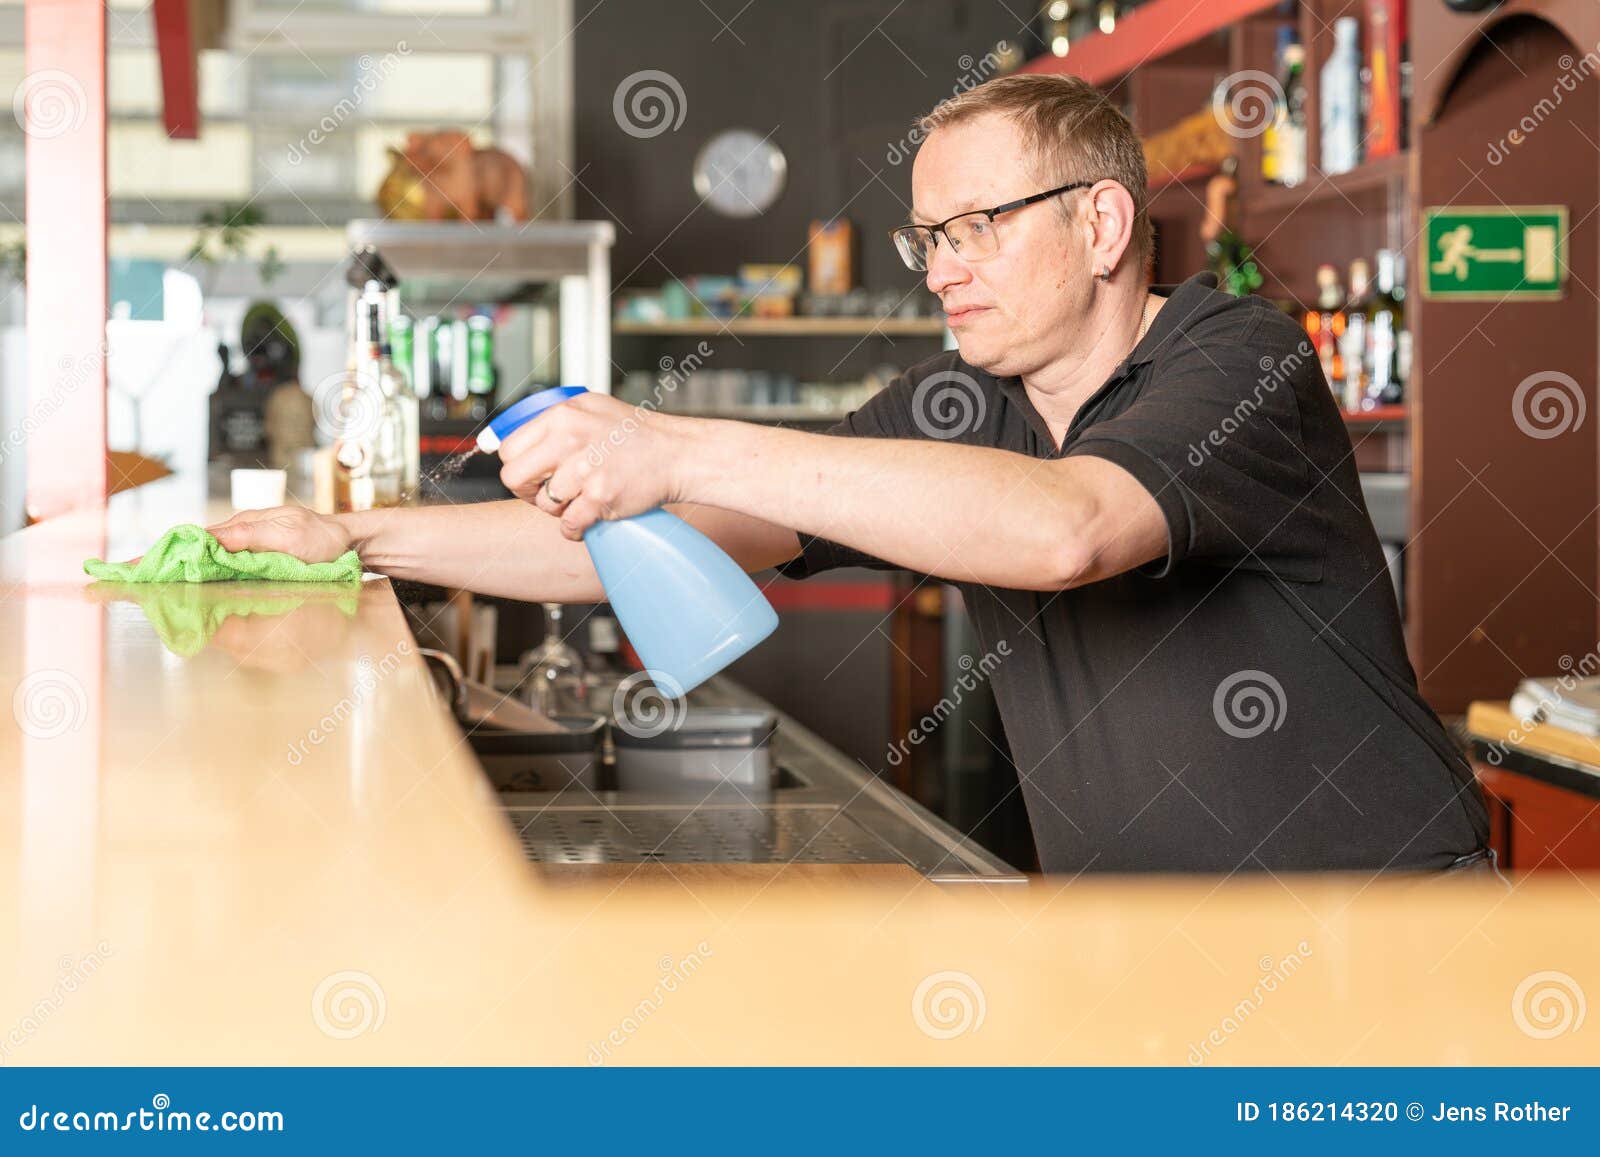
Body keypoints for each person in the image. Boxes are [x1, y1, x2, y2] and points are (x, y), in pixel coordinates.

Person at [210, 74, 1489, 874]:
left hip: (1368, 928)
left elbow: (1072, 528)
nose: (941, 267)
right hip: (1141, 953)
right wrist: (356, 538)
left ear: (1101, 224)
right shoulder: (959, 406)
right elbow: (625, 537)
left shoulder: (1237, 356)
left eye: (976, 227)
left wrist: (682, 438)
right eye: (927, 234)